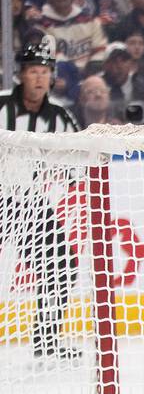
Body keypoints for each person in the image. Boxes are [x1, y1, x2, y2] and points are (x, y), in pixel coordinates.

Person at [0, 43, 81, 362]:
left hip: (30, 203)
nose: (38, 78)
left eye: (44, 72)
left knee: (62, 263)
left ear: (52, 78)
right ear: (21, 75)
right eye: (33, 70)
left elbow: (77, 160)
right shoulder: (1, 106)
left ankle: (47, 339)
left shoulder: (60, 116)